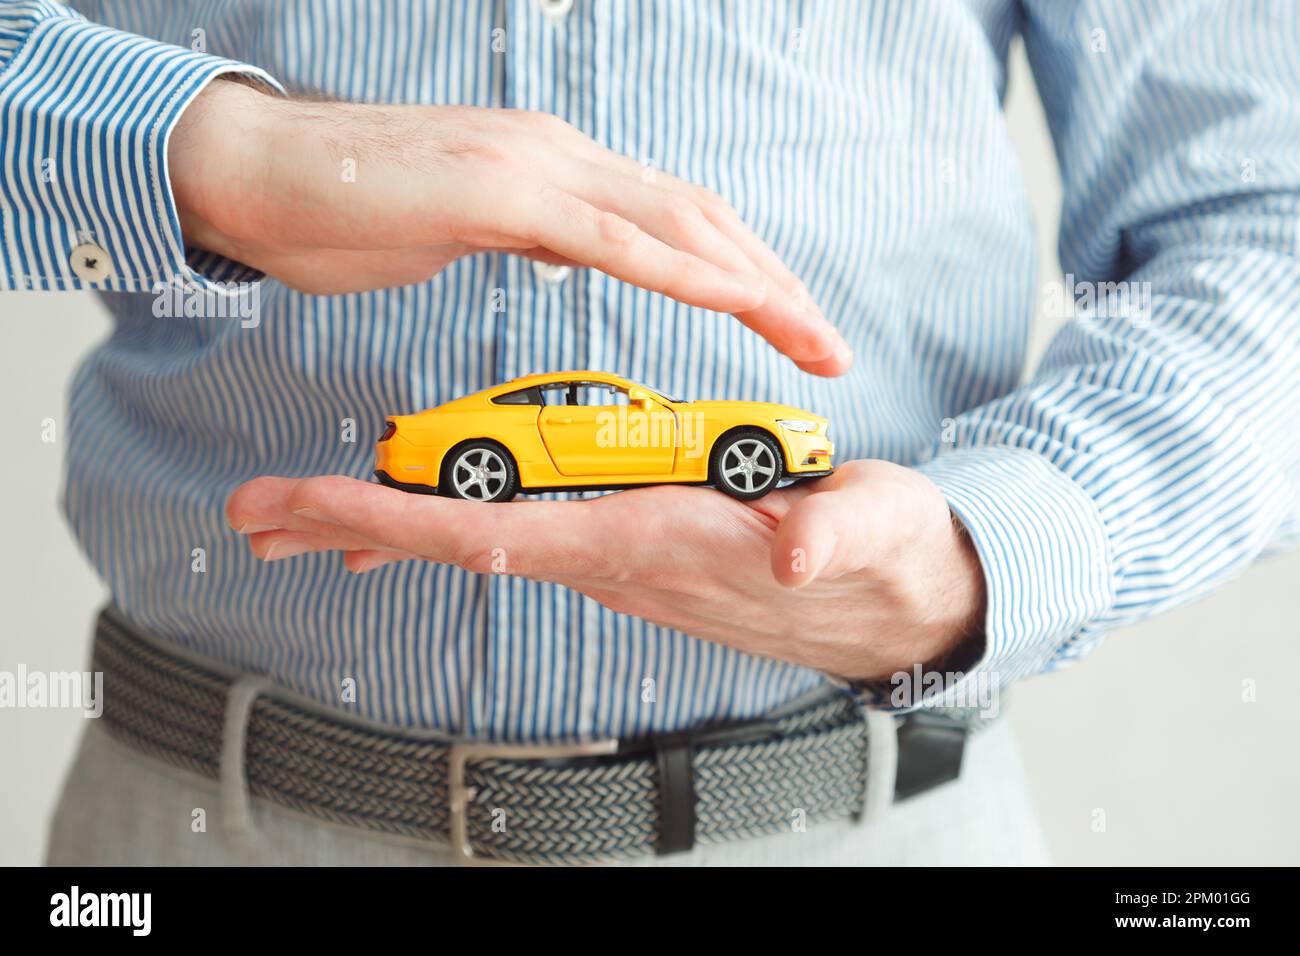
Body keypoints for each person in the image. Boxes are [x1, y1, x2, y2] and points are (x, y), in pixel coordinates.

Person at [6, 0, 1297, 865]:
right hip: (197, 821)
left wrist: (985, 553)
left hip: (864, 825)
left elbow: (1265, 214)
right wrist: (198, 148)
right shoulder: (504, 437)